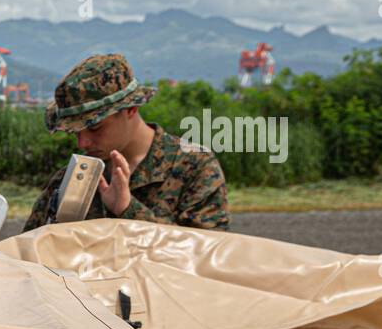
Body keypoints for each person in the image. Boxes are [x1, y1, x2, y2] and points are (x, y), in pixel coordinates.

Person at [24, 53, 229, 231]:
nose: (83, 143)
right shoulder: (71, 180)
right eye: (74, 132)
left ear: (131, 109)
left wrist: (128, 209)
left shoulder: (194, 167)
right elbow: (29, 255)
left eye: (95, 127)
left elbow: (206, 259)